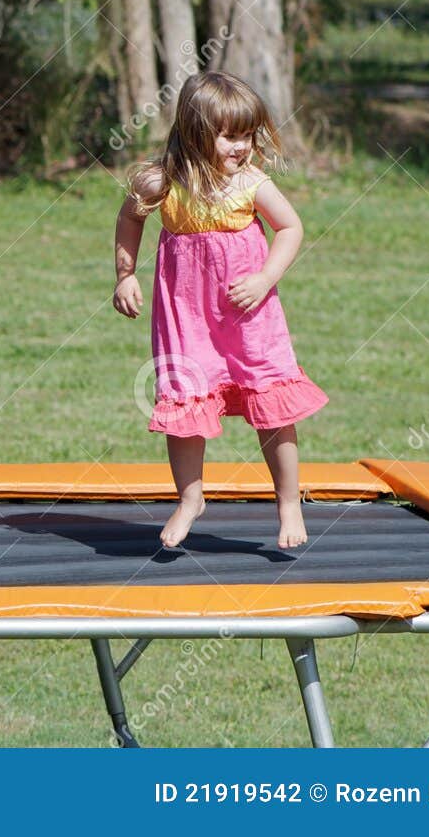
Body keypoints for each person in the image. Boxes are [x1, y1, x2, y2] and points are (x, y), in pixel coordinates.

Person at [113, 72, 328, 551]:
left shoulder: (251, 182)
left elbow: (290, 227)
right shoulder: (161, 180)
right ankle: (190, 498)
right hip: (186, 315)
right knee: (185, 396)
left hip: (247, 313)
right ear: (194, 131)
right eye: (230, 135)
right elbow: (129, 217)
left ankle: (288, 500)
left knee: (270, 398)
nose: (242, 145)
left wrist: (265, 278)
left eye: (248, 134)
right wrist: (125, 274)